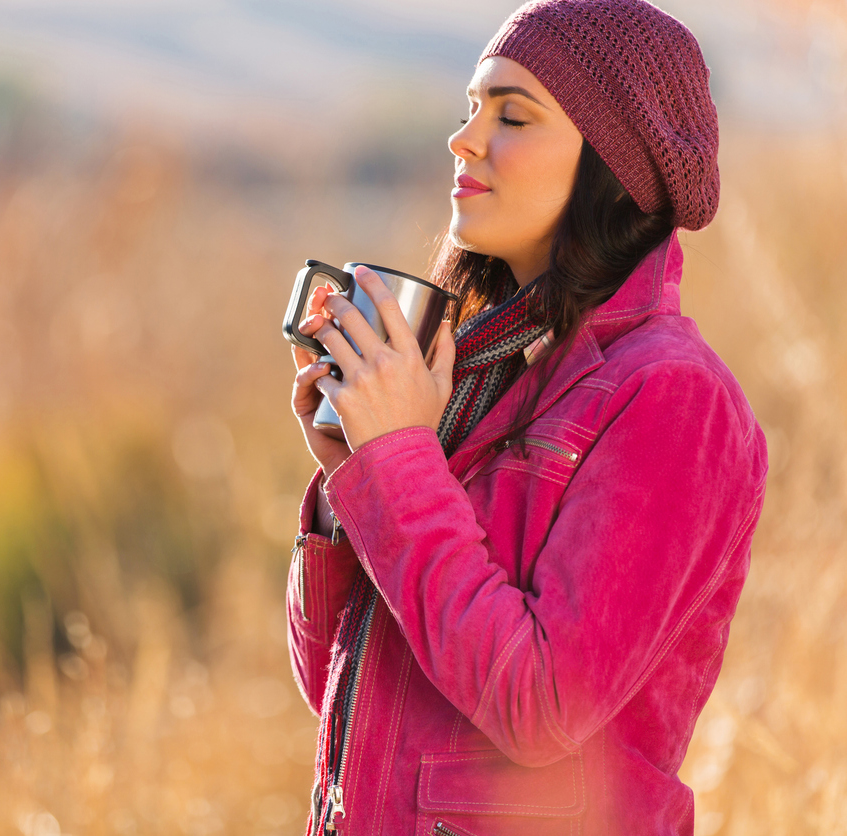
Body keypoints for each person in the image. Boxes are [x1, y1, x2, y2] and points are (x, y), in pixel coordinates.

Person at [285, 1, 768, 834]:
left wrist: (399, 459)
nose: (465, 140)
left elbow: (542, 706)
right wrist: (349, 472)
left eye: (512, 114)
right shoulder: (475, 370)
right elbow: (336, 685)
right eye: (471, 108)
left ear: (612, 162)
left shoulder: (676, 399)